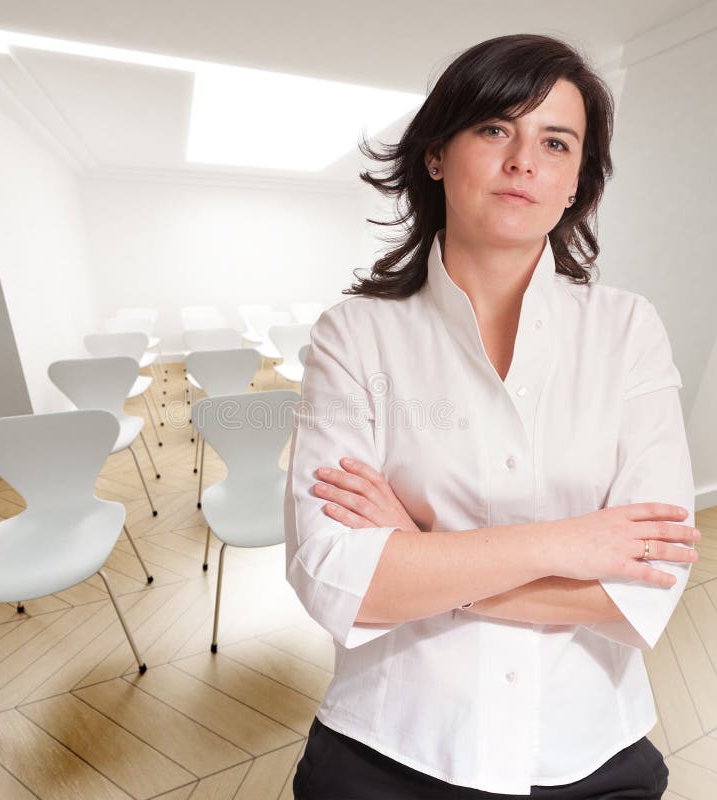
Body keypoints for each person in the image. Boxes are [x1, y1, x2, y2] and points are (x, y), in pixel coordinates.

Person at [283, 33, 699, 800]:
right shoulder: (354, 334)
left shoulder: (628, 329)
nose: (523, 161)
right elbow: (336, 578)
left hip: (589, 744)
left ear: (577, 180)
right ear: (437, 153)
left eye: (555, 142)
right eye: (494, 128)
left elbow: (646, 582)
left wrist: (421, 554)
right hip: (392, 741)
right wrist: (570, 544)